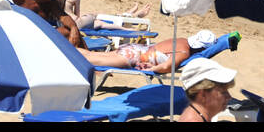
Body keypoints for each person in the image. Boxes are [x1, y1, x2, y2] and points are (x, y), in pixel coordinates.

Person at [81, 29, 217, 75]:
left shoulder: (182, 40)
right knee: (90, 59)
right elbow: (166, 67)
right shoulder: (184, 52)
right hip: (134, 57)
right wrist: (152, 68)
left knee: (92, 55)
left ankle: (65, 49)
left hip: (134, 48)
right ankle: (62, 54)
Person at [9, 0, 82, 46]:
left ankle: (82, 55)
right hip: (19, 34)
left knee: (70, 32)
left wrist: (74, 28)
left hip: (40, 34)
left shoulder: (51, 1)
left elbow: (62, 16)